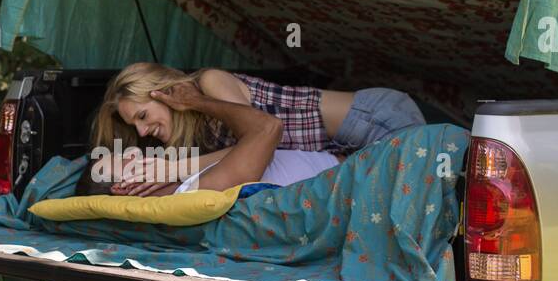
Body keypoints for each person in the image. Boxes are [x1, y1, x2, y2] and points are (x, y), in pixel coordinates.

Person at [85, 62, 423, 195]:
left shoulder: (209, 82)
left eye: (142, 116)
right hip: (343, 152)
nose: (142, 133)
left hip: (375, 121)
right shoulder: (196, 141)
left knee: (424, 191)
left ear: (162, 92)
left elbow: (260, 137)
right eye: (134, 126)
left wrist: (174, 167)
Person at [75, 82, 338, 197]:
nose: (132, 150)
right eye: (124, 160)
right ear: (123, 188)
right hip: (355, 169)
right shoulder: (194, 192)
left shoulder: (184, 177)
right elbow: (267, 127)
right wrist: (197, 102)